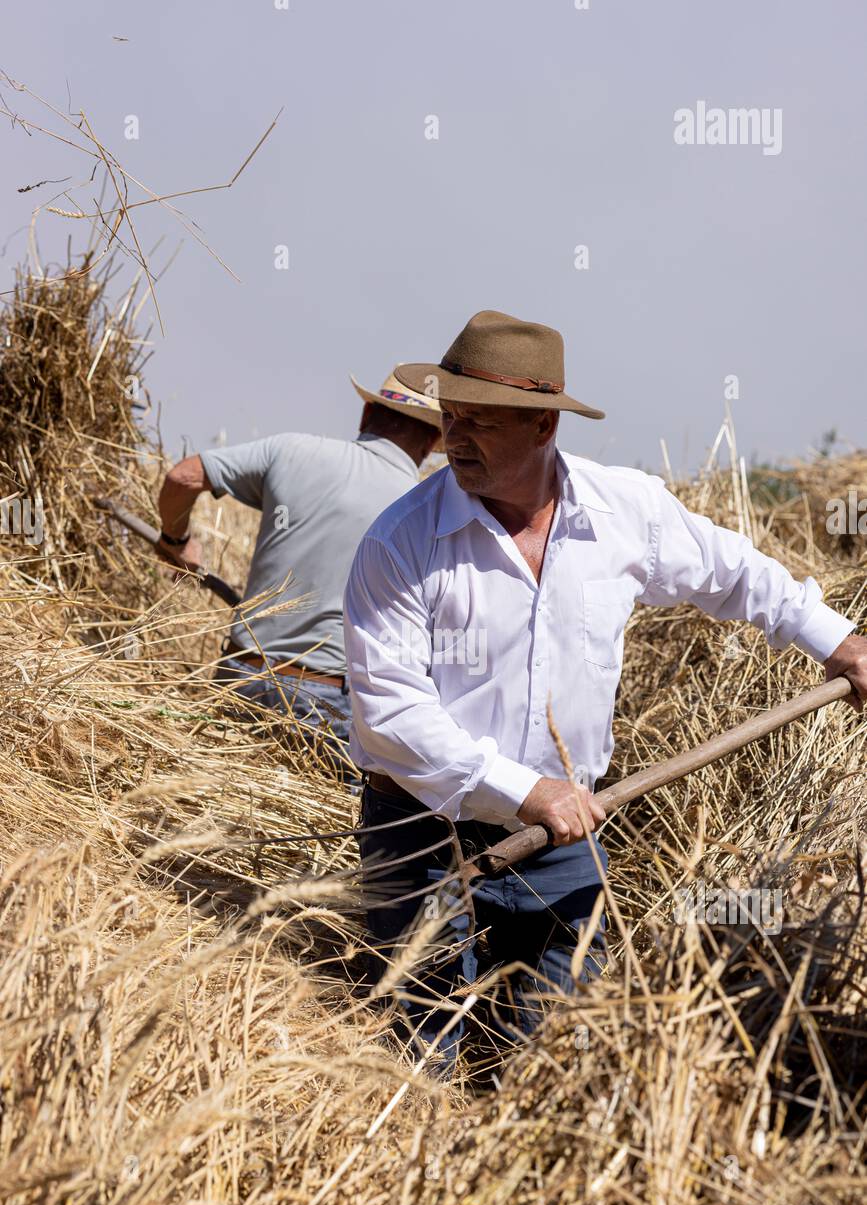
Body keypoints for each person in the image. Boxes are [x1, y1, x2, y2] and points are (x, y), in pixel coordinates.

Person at [344, 309, 867, 1071]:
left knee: (552, 1053)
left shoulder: (625, 510)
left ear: (541, 427)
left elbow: (737, 575)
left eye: (479, 422)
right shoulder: (399, 542)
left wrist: (838, 642)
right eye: (449, 417)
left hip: (563, 842)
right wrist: (525, 789)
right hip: (422, 834)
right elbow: (389, 712)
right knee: (417, 1058)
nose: (453, 438)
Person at [155, 370, 441, 767]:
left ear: (366, 414)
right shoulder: (425, 509)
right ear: (433, 442)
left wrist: (175, 540)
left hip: (242, 674)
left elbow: (182, 477)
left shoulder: (290, 450)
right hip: (325, 703)